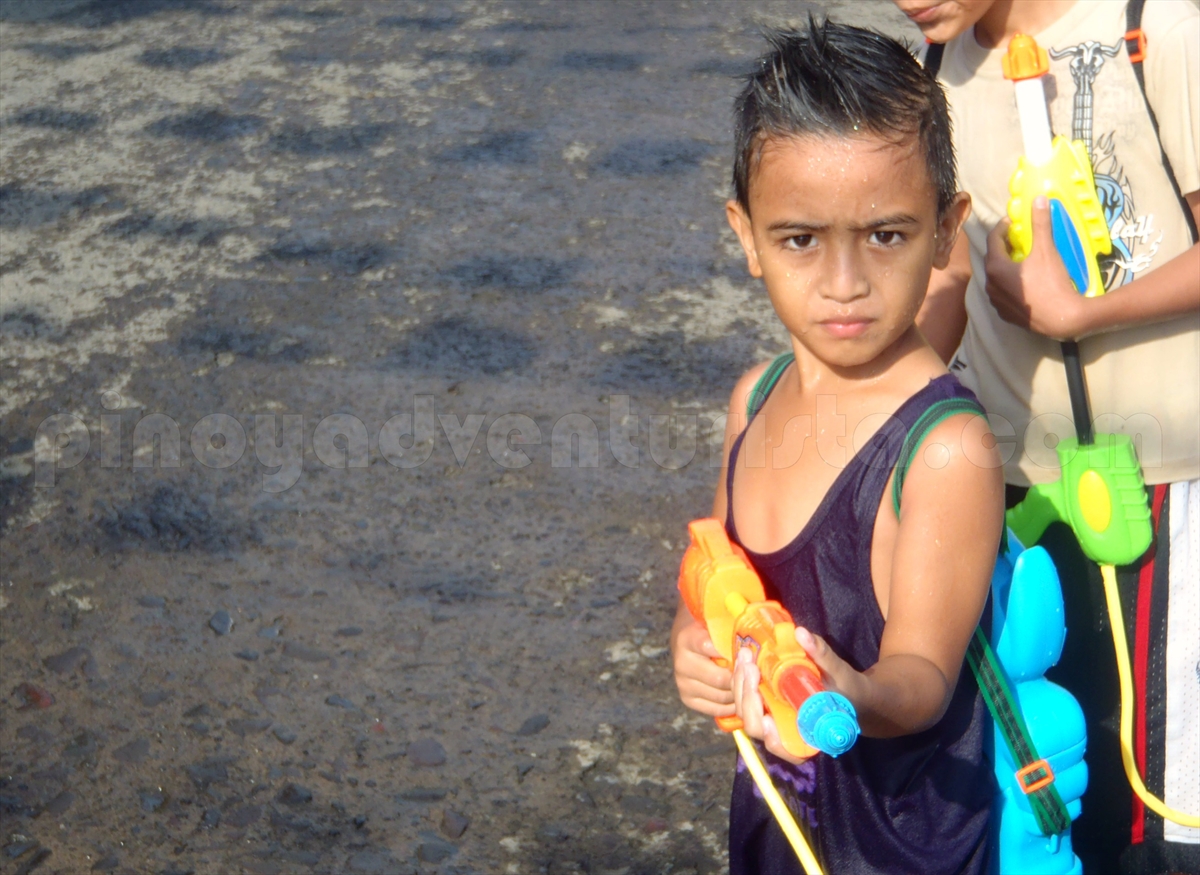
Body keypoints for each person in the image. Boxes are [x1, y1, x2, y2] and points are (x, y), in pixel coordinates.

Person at [669, 19, 1005, 874]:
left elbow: (924, 679)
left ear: (944, 230)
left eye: (886, 235)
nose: (845, 282)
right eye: (800, 239)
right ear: (746, 236)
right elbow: (718, 573)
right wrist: (695, 642)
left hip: (900, 840)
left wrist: (853, 691)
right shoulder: (755, 398)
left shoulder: (944, 449)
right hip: (777, 812)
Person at [894, 1, 1200, 871]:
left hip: (1163, 491)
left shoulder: (1161, 31)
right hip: (1015, 495)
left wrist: (1087, 311)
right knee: (1047, 796)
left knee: (1163, 810)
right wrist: (869, 412)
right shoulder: (939, 66)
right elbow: (951, 266)